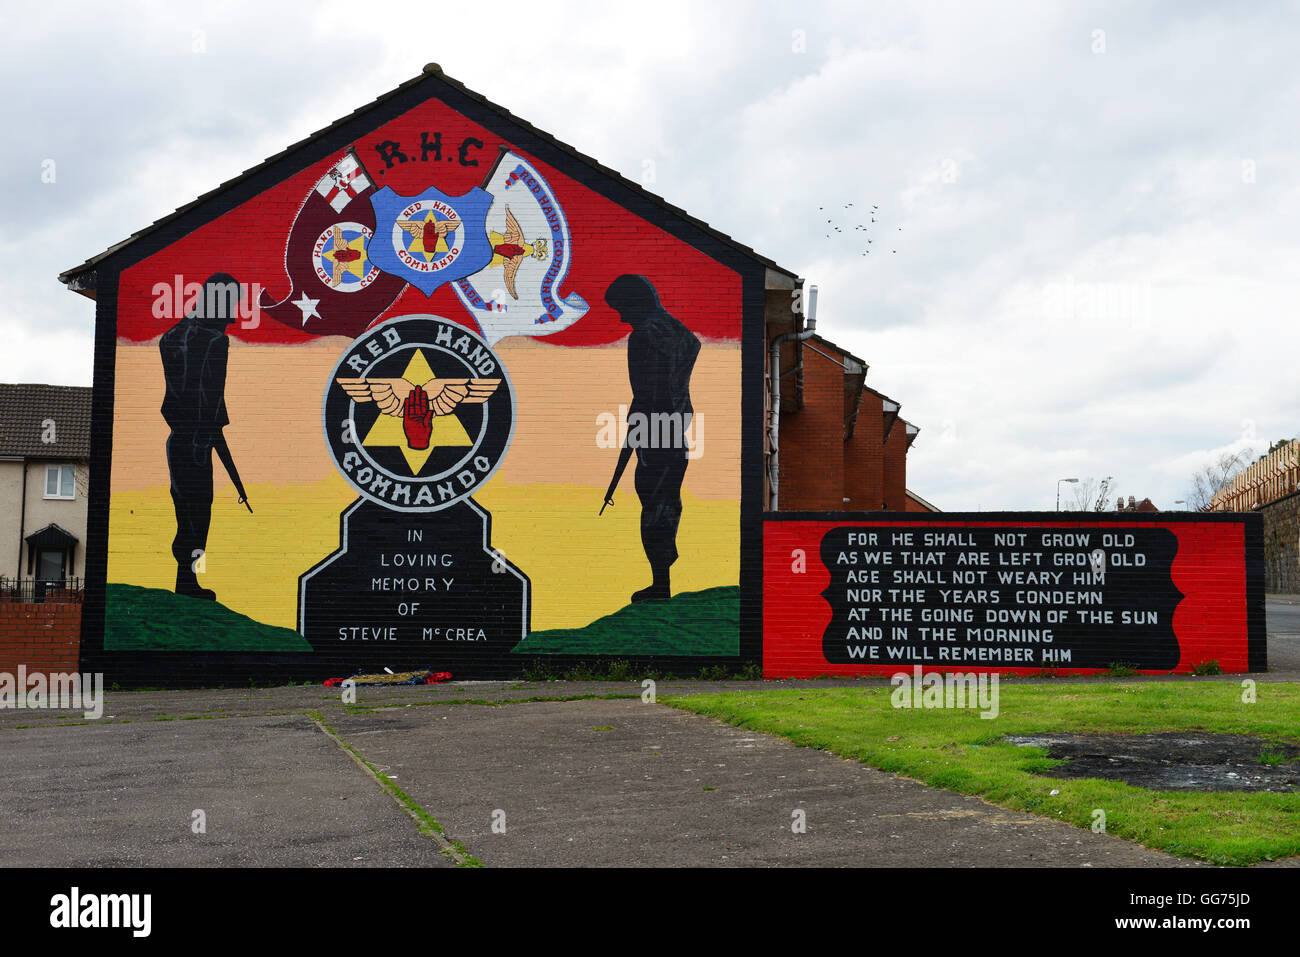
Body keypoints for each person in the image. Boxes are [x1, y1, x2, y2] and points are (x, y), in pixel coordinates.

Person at [602, 275, 701, 602]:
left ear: (637, 303)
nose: (621, 316)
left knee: (654, 508)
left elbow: (644, 395)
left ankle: (660, 585)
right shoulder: (684, 336)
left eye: (622, 308)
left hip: (653, 432)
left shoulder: (642, 338)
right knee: (668, 505)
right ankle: (663, 581)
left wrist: (634, 433)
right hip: (677, 430)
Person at [159, 274, 241, 601]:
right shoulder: (215, 342)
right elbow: (210, 398)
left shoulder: (170, 336)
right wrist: (210, 438)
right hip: (198, 440)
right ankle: (190, 582)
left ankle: (186, 580)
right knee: (199, 513)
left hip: (176, 440)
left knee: (184, 510)